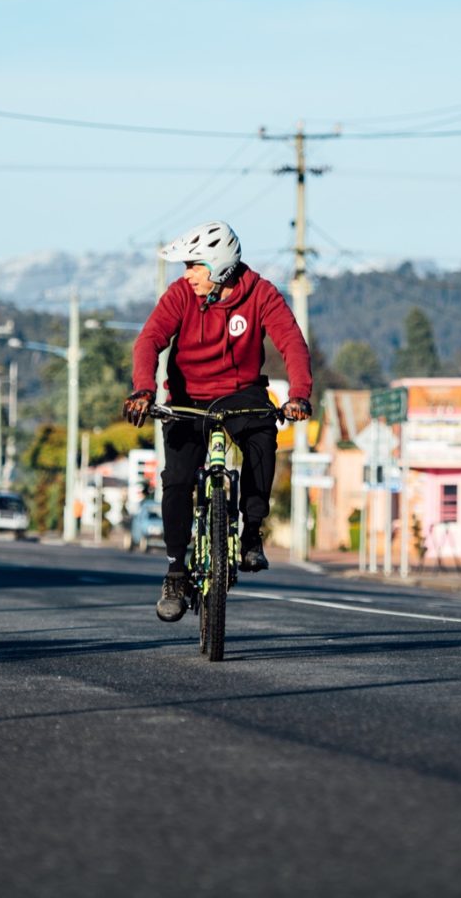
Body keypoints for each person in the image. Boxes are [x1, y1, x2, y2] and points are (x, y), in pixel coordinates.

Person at [124, 221, 312, 622]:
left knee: (263, 437)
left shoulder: (261, 294)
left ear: (220, 266)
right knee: (176, 480)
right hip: (188, 396)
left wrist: (299, 395)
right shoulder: (180, 295)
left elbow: (291, 342)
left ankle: (251, 533)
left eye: (195, 265)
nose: (187, 273)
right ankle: (176, 572)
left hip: (241, 392)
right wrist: (144, 390)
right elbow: (150, 340)